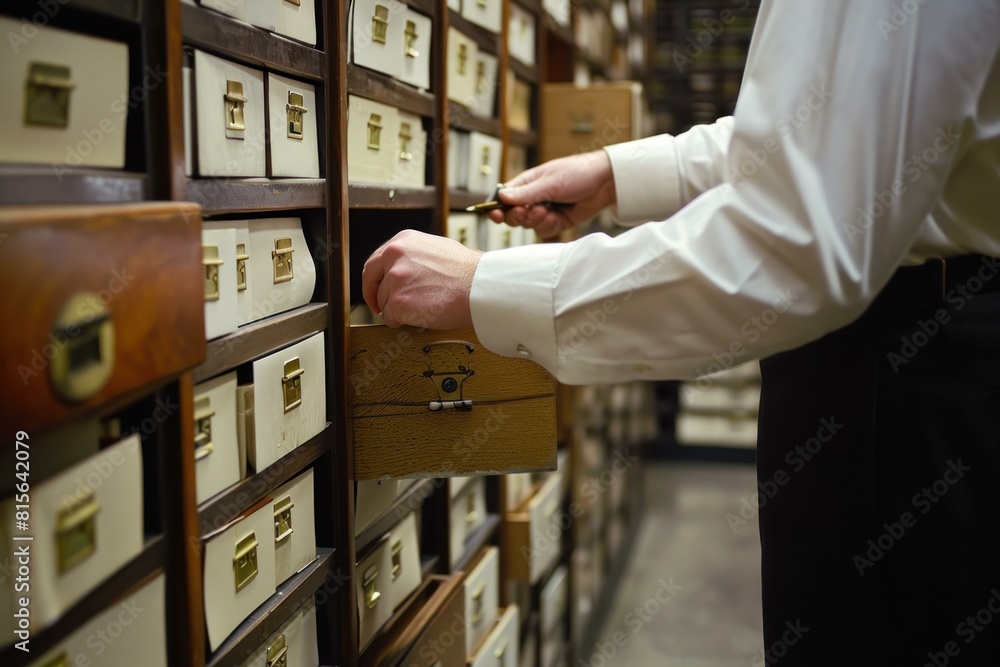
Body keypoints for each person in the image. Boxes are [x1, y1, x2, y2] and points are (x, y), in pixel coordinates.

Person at [363, 2, 1000, 663]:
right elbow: (831, 124)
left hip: (909, 374)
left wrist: (487, 287)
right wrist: (619, 174)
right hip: (915, 346)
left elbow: (796, 244)